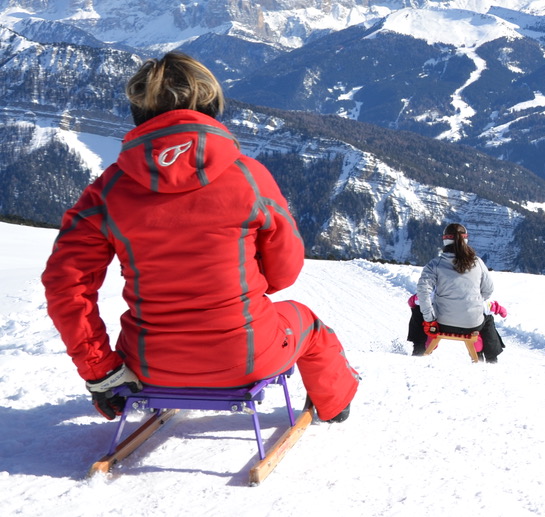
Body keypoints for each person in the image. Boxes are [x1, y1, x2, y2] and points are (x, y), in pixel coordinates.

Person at [41, 51, 360, 423]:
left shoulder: (107, 191)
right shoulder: (249, 177)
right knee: (309, 324)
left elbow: (66, 283)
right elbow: (285, 271)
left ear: (138, 113)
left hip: (149, 364)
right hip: (249, 356)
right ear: (210, 108)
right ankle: (334, 405)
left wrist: (101, 370)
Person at [408, 223, 504, 362]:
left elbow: (423, 292)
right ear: (466, 239)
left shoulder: (435, 264)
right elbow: (488, 290)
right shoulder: (477, 262)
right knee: (487, 319)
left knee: (418, 309)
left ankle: (419, 349)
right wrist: (473, 300)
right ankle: (489, 358)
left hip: (441, 323)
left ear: (445, 240)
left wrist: (429, 319)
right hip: (472, 324)